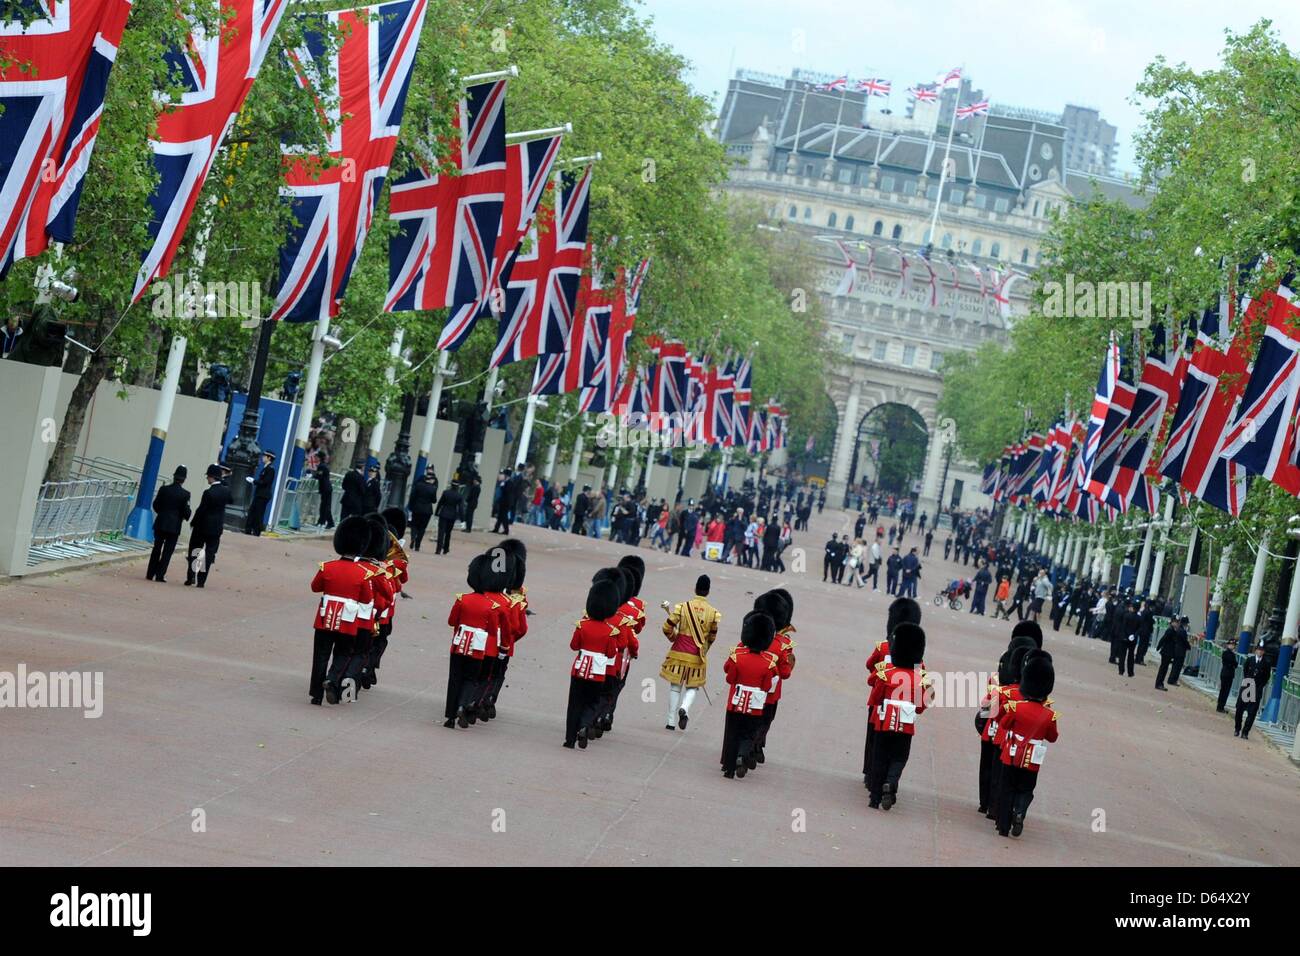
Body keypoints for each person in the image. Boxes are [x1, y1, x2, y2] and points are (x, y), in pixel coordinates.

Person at [309, 515, 376, 706]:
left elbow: (315, 587)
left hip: (324, 619)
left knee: (320, 654)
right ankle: (332, 679)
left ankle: (316, 694)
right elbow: (367, 599)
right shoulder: (364, 573)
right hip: (347, 621)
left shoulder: (327, 567)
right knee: (343, 654)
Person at [994, 650, 1059, 838]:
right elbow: (1053, 737)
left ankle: (1004, 827)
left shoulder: (1016, 708)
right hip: (1032, 759)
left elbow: (1004, 724)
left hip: (1012, 753)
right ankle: (1020, 811)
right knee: (1026, 789)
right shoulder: (1050, 714)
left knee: (1007, 788)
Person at [866, 622, 929, 810]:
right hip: (906, 724)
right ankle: (891, 783)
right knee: (899, 757)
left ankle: (875, 797)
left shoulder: (886, 674)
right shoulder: (920, 678)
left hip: (884, 722)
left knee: (879, 757)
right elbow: (920, 707)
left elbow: (876, 698)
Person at [444, 553, 505, 728]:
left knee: (455, 678)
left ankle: (450, 717)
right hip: (478, 648)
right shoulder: (492, 607)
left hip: (459, 645)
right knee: (471, 679)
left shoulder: (462, 599)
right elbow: (493, 631)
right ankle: (463, 706)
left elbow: (451, 621)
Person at [720, 610, 778, 779]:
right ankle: (742, 755)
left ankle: (729, 769)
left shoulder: (737, 657)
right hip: (755, 707)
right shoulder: (768, 663)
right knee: (749, 734)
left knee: (733, 734)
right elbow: (767, 686)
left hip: (736, 703)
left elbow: (730, 678)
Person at [565, 578, 622, 749]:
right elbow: (612, 652)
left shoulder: (582, 625)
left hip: (579, 670)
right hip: (597, 672)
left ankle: (569, 740)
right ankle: (584, 726)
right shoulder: (610, 631)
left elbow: (573, 645)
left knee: (574, 704)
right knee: (592, 702)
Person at [660, 574, 720, 731]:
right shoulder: (713, 613)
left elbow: (667, 627)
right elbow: (712, 637)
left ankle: (670, 722)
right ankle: (685, 708)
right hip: (696, 656)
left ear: (695, 589)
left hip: (678, 652)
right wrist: (703, 652)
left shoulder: (682, 607)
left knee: (675, 687)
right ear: (708, 591)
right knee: (693, 687)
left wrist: (674, 637)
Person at [184, 464, 231, 588]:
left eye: (208, 477)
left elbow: (201, 510)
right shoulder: (225, 491)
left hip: (202, 526)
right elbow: (231, 500)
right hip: (216, 527)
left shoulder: (208, 492)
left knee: (196, 550)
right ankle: (201, 581)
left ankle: (191, 576)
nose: (207, 479)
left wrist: (193, 522)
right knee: (209, 554)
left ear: (211, 477)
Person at [146, 466, 191, 583]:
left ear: (174, 476)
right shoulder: (185, 494)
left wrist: (162, 513)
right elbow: (186, 512)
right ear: (184, 479)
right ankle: (160, 574)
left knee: (157, 548)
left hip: (161, 522)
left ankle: (150, 573)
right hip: (174, 526)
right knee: (167, 551)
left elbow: (155, 505)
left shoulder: (164, 489)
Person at [1234, 641, 1271, 739]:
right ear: (1255, 650)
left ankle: (1245, 732)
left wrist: (1259, 688)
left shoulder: (1266, 663)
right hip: (1246, 687)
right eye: (1258, 649)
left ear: (1264, 652)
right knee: (1239, 710)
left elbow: (1266, 677)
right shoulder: (1249, 660)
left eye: (1262, 650)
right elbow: (1245, 671)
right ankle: (1237, 728)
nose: (1260, 652)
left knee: (1252, 713)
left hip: (1256, 689)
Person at [243, 450, 276, 535]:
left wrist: (254, 481)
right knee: (253, 512)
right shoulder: (266, 468)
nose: (263, 457)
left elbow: (265, 482)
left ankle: (256, 531)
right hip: (260, 494)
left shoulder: (270, 469)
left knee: (258, 513)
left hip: (263, 495)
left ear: (269, 458)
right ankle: (249, 529)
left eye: (265, 456)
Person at [1154, 616, 1190, 691]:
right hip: (1166, 652)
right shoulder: (1170, 630)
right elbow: (1164, 638)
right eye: (1176, 622)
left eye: (1178, 622)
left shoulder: (1174, 630)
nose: (1177, 624)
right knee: (1163, 668)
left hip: (1169, 652)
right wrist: (1158, 647)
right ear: (1172, 622)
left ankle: (1160, 683)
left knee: (1164, 668)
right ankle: (1159, 683)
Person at [407, 470, 438, 551]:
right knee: (422, 528)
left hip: (417, 508)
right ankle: (417, 545)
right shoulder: (433, 488)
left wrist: (411, 506)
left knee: (414, 525)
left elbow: (412, 497)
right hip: (427, 510)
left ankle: (413, 537)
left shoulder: (418, 485)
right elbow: (434, 500)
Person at [433, 480, 463, 555]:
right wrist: (462, 518)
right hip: (452, 515)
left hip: (443, 514)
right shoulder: (459, 495)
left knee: (441, 532)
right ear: (458, 487)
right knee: (448, 533)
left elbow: (440, 503)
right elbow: (461, 508)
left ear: (451, 485)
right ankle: (446, 548)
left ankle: (438, 549)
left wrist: (437, 512)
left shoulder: (446, 492)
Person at [1217, 642, 1238, 712]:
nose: (1233, 646)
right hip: (1226, 673)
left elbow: (1235, 664)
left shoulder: (1232, 654)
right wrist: (1233, 662)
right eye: (1231, 645)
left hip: (1228, 674)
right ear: (1228, 645)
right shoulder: (1227, 653)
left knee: (1225, 691)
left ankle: (1221, 706)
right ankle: (1220, 706)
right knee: (1224, 691)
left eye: (1233, 645)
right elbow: (1232, 663)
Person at [314, 459, 334, 529]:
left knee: (325, 507)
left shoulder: (321, 466)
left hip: (325, 489)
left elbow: (319, 476)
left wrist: (313, 475)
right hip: (326, 488)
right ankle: (322, 521)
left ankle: (328, 522)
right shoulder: (324, 465)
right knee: (324, 506)